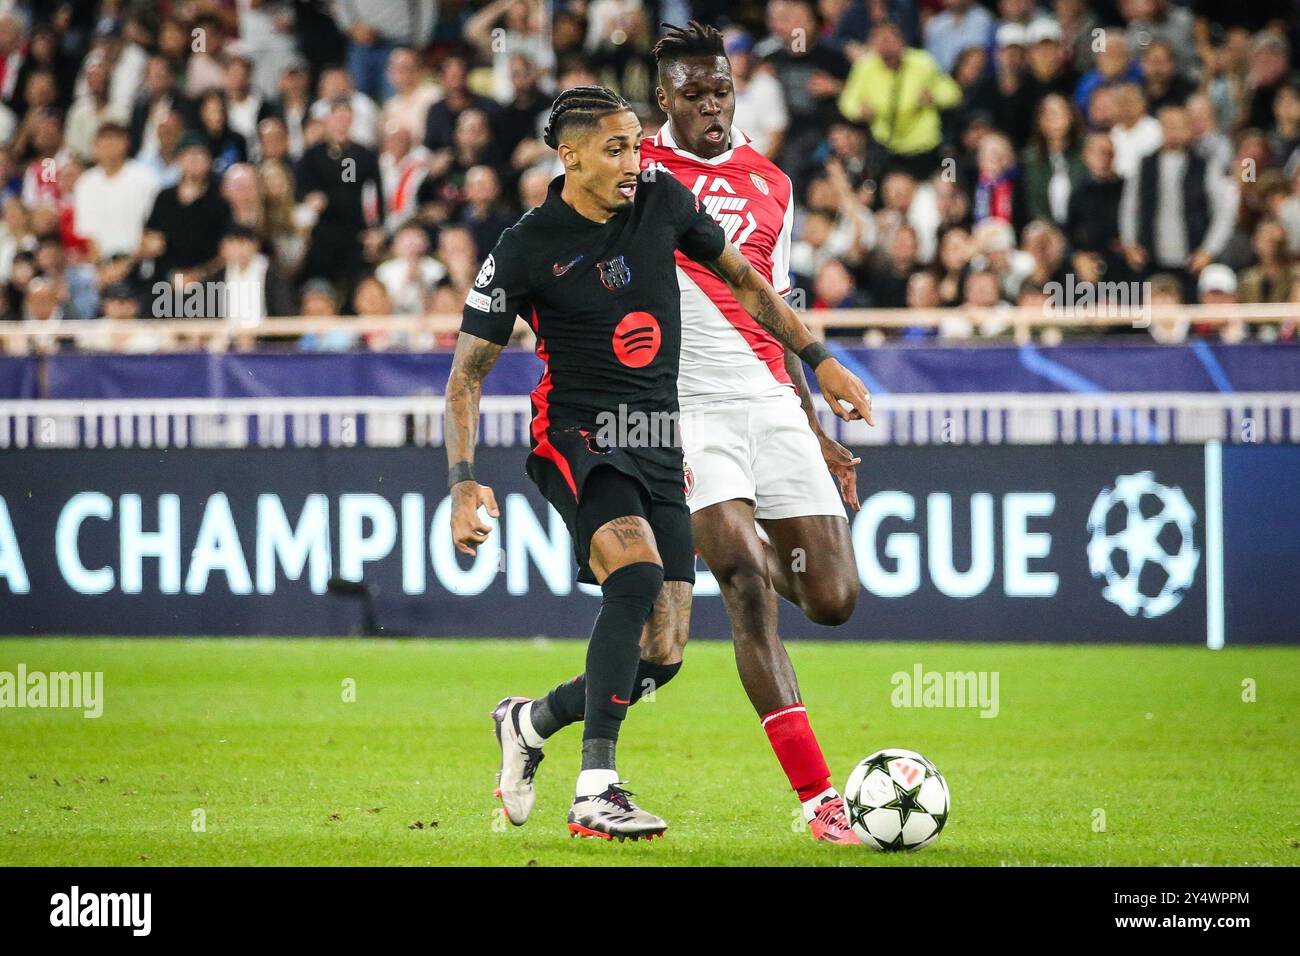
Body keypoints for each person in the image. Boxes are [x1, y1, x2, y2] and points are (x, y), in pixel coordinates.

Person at [447, 86, 872, 841]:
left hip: (659, 434)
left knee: (665, 653)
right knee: (638, 577)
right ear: (568, 155)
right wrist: (462, 481)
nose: (633, 162)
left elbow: (747, 281)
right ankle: (597, 789)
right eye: (615, 149)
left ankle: (529, 721)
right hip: (577, 431)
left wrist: (821, 358)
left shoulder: (662, 201)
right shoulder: (525, 244)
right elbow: (467, 375)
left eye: (638, 145)